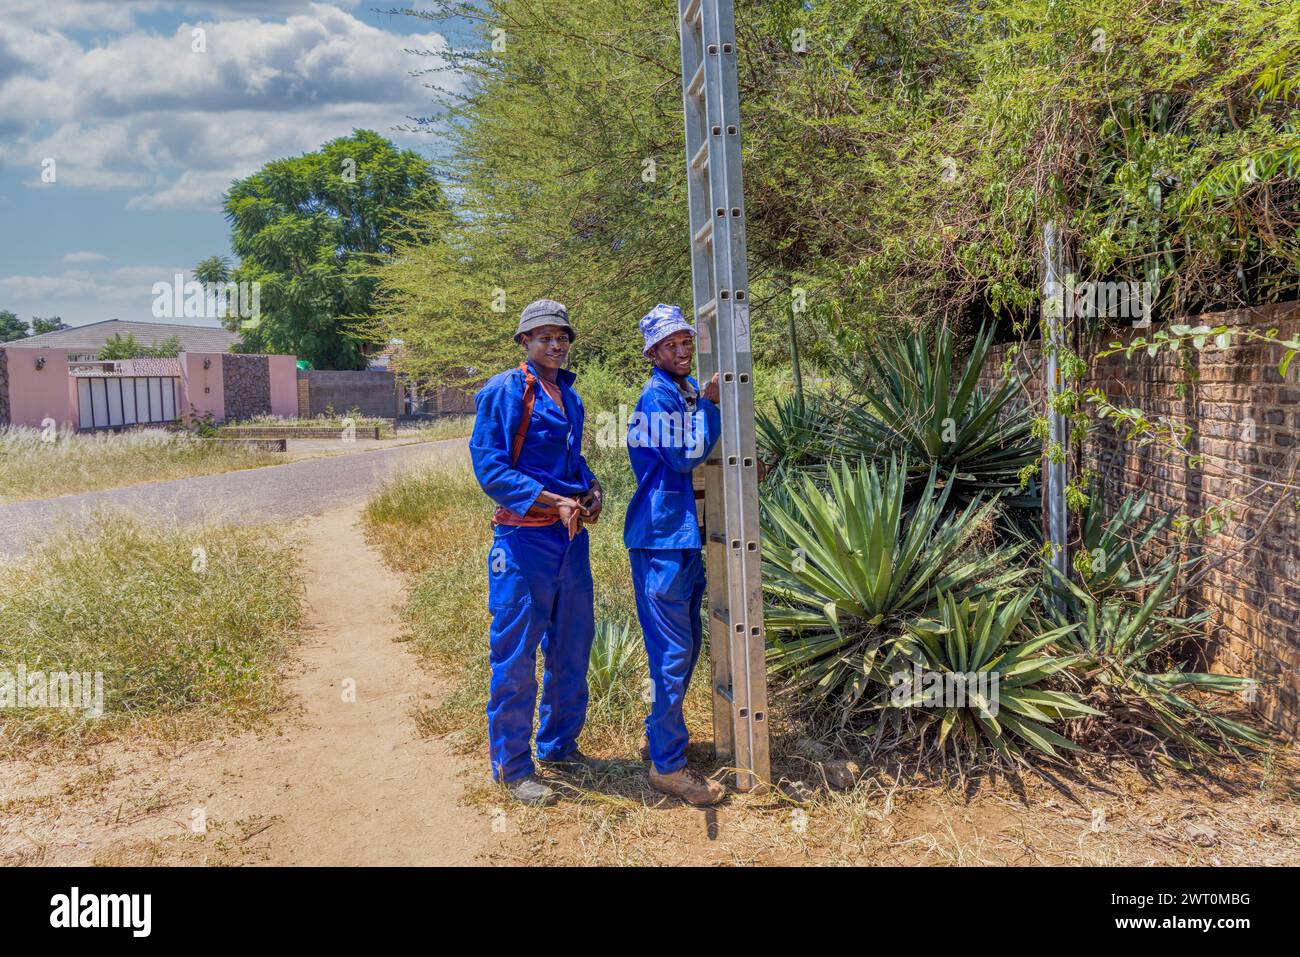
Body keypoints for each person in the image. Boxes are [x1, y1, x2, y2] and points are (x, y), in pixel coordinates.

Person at [469, 298, 605, 807]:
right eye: (544, 336)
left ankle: (560, 747)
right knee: (517, 655)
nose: (556, 343)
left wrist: (589, 491)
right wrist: (553, 500)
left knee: (572, 646)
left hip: (569, 541)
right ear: (523, 342)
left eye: (562, 336)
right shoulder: (507, 390)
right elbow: (491, 468)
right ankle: (513, 767)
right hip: (524, 541)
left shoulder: (569, 397)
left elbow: (573, 461)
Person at [625, 303, 726, 806]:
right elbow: (686, 457)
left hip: (681, 539)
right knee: (672, 654)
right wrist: (711, 408)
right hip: (662, 540)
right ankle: (667, 766)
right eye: (671, 345)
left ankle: (662, 739)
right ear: (653, 352)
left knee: (682, 649)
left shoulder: (679, 392)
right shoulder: (657, 396)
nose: (682, 350)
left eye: (686, 341)